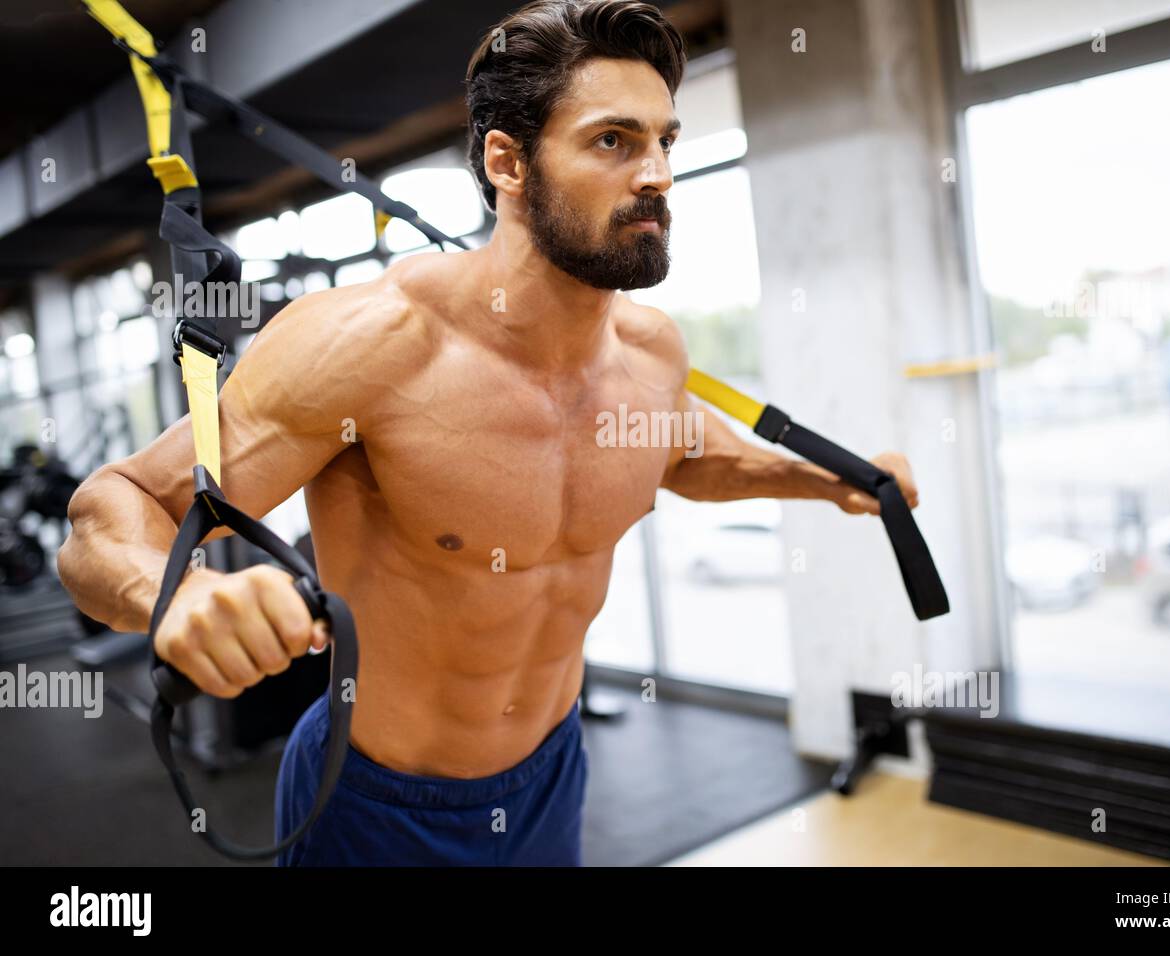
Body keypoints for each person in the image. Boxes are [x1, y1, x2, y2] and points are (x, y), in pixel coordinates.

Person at [56, 0, 920, 866]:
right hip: (374, 801)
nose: (656, 172)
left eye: (666, 141)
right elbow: (112, 510)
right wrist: (174, 596)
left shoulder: (651, 354)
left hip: (552, 774)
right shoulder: (375, 349)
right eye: (614, 140)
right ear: (507, 162)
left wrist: (825, 481)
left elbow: (685, 452)